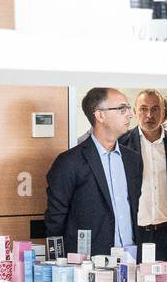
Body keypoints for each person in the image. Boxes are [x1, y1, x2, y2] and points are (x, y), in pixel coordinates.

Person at [46, 88, 142, 258]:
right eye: (122, 109)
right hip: (88, 263)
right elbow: (55, 221)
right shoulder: (69, 162)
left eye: (128, 108)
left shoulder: (133, 160)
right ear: (100, 115)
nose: (129, 115)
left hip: (131, 258)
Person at [119, 88, 167, 262]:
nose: (149, 115)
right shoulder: (122, 144)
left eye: (155, 109)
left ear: (163, 113)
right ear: (134, 112)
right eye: (143, 109)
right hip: (134, 236)